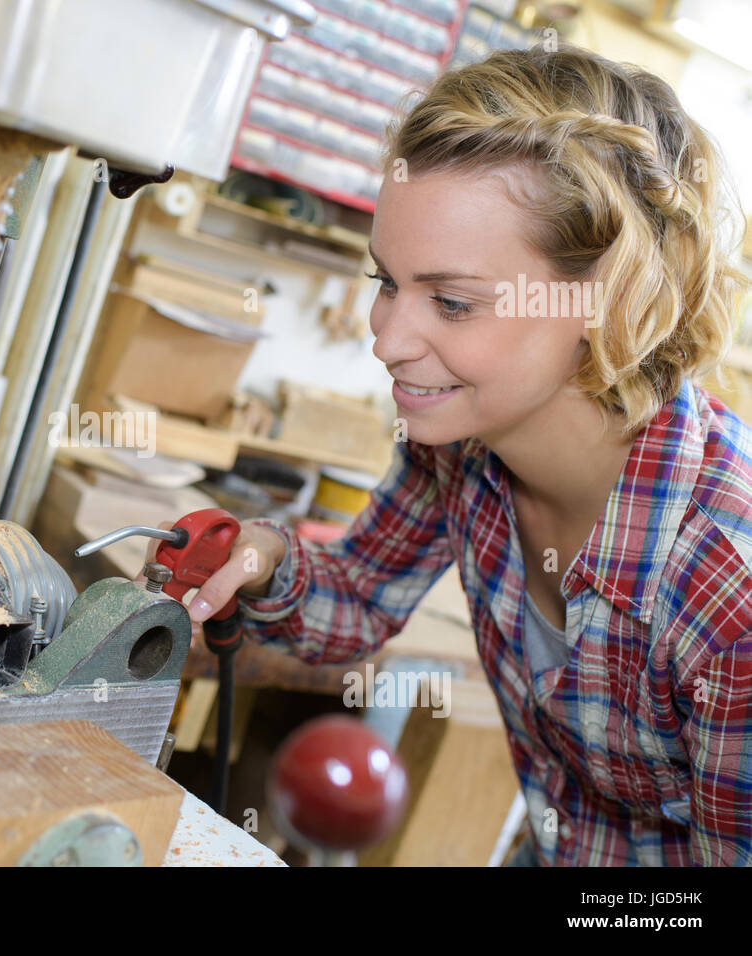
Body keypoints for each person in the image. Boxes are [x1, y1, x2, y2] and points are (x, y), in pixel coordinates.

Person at [178, 45, 752, 865]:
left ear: (610, 300)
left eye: (450, 301)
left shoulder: (729, 600)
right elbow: (361, 599)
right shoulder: (458, 442)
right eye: (387, 282)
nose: (387, 339)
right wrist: (265, 556)